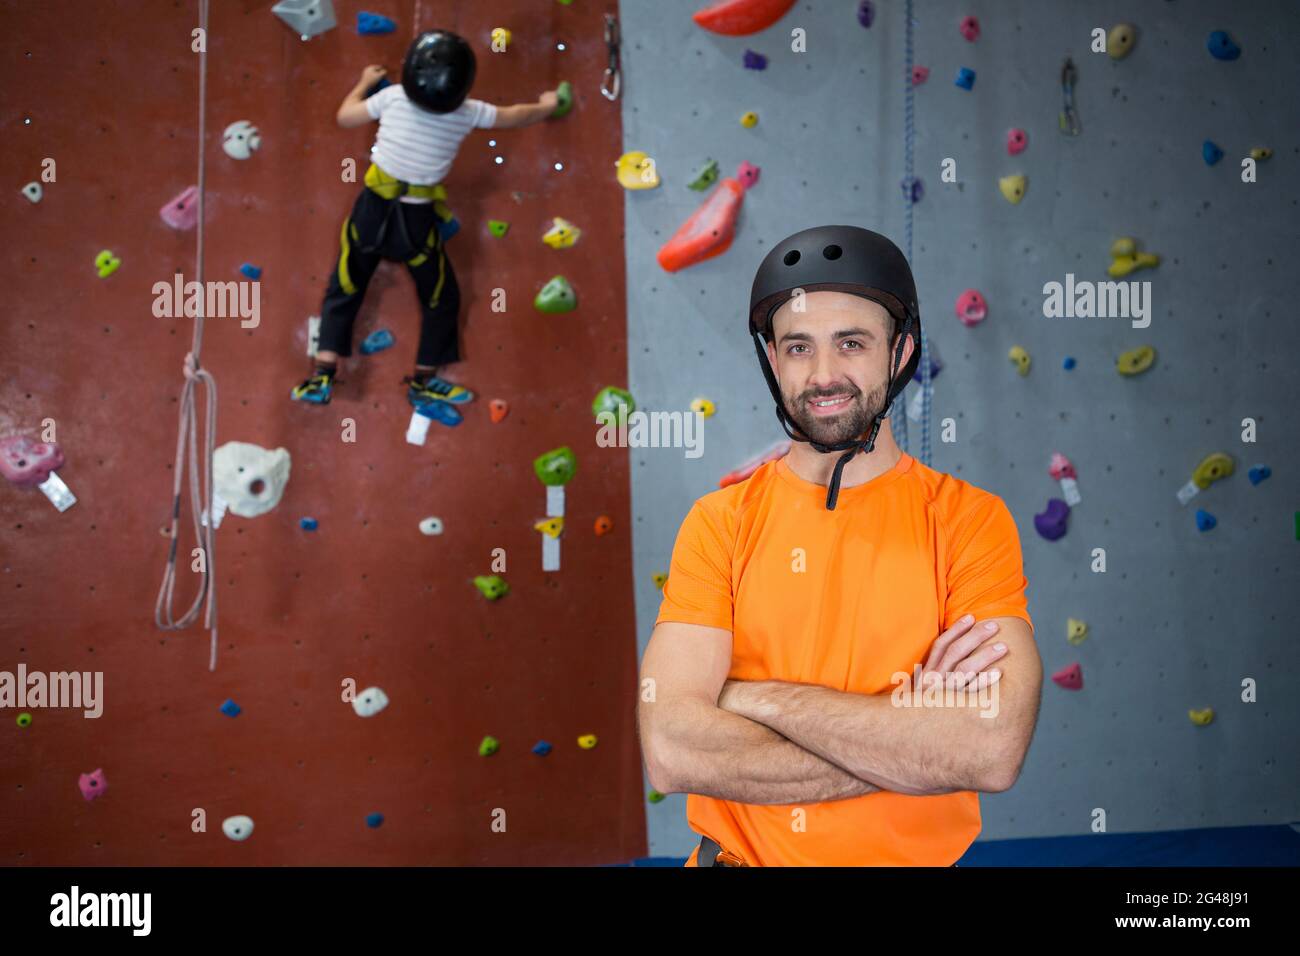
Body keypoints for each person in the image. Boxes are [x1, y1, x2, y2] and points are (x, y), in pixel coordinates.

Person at [637, 225, 1042, 866]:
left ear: (899, 352)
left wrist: (748, 697)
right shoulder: (718, 524)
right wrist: (911, 739)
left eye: (851, 343)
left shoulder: (970, 522)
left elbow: (991, 750)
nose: (824, 374)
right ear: (773, 360)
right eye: (799, 347)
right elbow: (672, 752)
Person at [292, 30, 560, 423]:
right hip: (415, 224)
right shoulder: (467, 112)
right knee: (440, 296)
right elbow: (515, 115)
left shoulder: (394, 96)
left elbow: (344, 116)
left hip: (370, 210)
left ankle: (322, 373)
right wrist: (547, 105)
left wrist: (365, 83)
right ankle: (424, 377)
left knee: (345, 286)